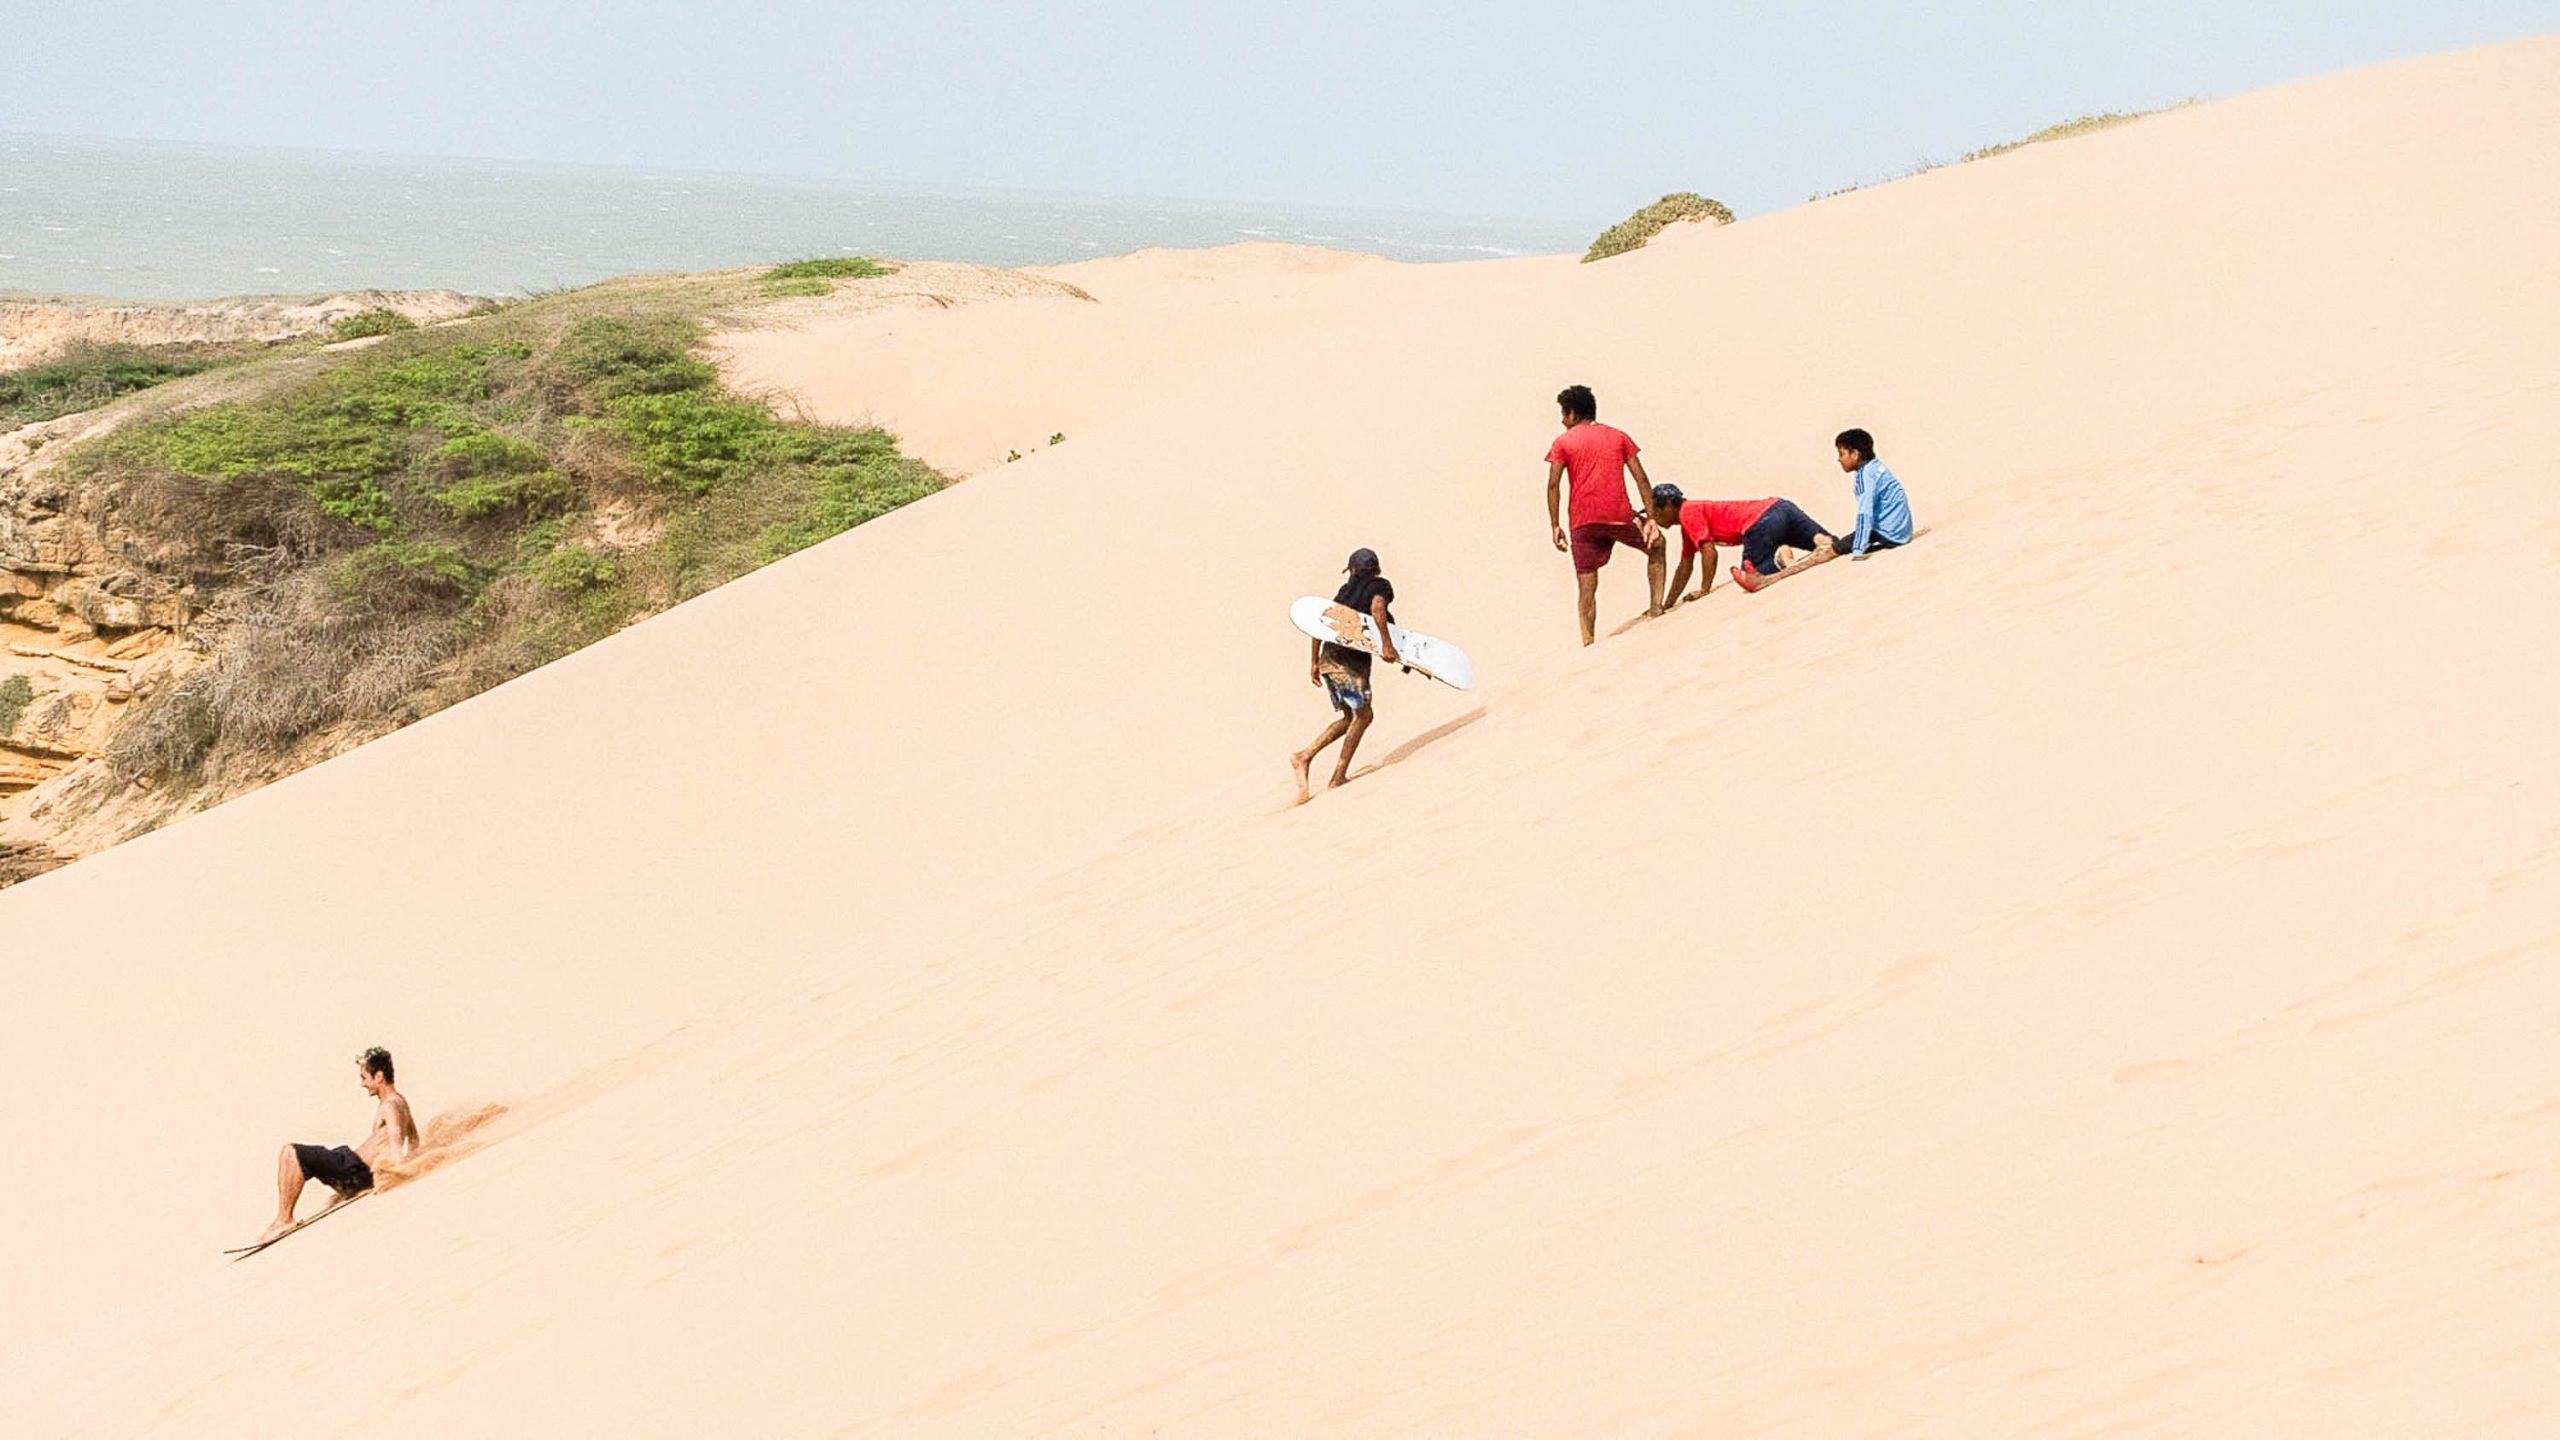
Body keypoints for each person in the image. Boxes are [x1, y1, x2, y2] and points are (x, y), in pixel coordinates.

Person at [254, 1046, 417, 1244]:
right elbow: (414, 1140)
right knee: (308, 1156)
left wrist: (391, 1177)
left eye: (364, 1077)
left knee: (290, 1152)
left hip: (353, 1170)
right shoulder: (401, 1102)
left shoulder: (390, 1105)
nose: (362, 1084)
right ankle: (282, 1218)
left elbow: (396, 1144)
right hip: (353, 1167)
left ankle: (284, 1219)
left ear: (379, 1076)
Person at [1543, 385, 1664, 644]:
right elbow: (1641, 478)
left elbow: (1553, 485)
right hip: (1619, 515)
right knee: (1657, 544)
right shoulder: (1618, 436)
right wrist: (1652, 518)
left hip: (1582, 522)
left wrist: (1555, 525)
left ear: (1573, 413)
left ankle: (1588, 641)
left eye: (1563, 414)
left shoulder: (1563, 442)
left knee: (1586, 584)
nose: (1562, 420)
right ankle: (1656, 607)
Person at [1292, 548, 1401, 804]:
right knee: (1364, 716)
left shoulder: (1344, 592)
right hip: (1349, 663)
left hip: (1329, 659)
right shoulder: (1380, 586)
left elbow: (1320, 623)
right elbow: (1377, 610)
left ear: (1352, 570)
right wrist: (1387, 645)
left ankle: (1303, 757)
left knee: (1350, 718)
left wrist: (1314, 662)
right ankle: (1337, 777)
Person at [1647, 483, 1844, 600]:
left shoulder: (1688, 512)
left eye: (1656, 510)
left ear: (1669, 506)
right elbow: (1685, 566)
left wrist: (1704, 590)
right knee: (1833, 546)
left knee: (1751, 576)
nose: (1654, 516)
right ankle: (1801, 543)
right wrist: (1668, 603)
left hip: (1759, 524)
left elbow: (1709, 552)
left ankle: (1778, 555)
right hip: (1780, 507)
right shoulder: (1689, 521)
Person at [1834, 427, 1915, 558]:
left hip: (1889, 534)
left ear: (1855, 454)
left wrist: (1858, 550)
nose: (1839, 459)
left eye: (1841, 454)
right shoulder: (1877, 466)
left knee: (1835, 548)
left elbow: (1865, 513)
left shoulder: (1864, 476)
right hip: (1903, 532)